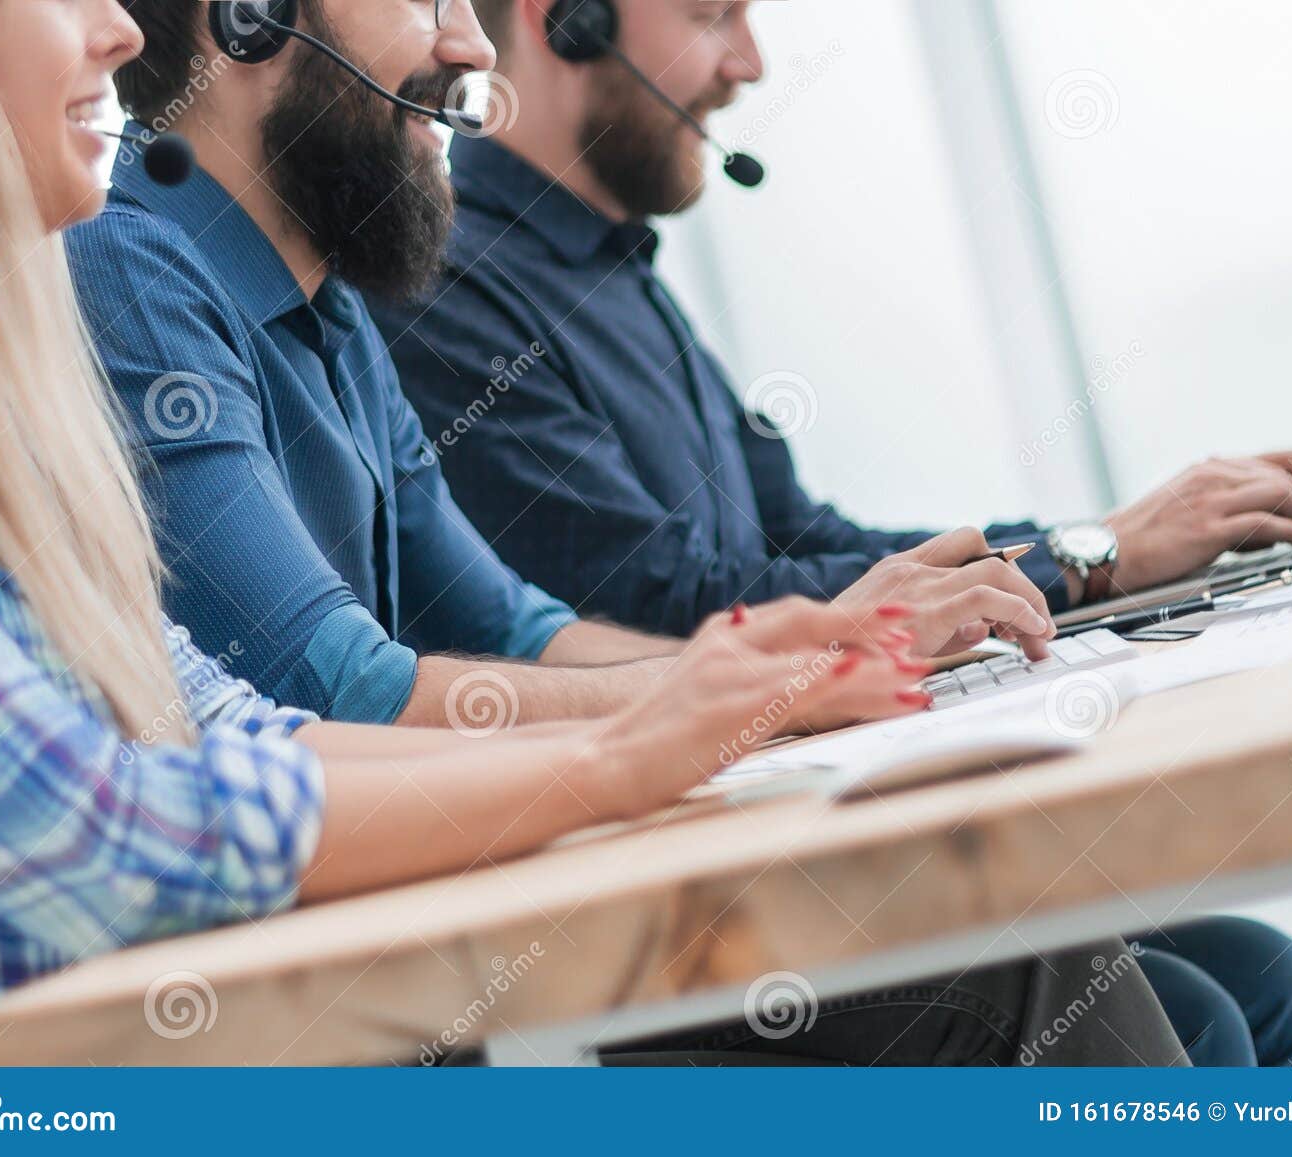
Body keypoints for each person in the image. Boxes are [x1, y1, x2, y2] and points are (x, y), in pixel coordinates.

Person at [0, 0, 1186, 1069]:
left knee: (1109, 975)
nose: (115, 30)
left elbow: (254, 714)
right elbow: (126, 827)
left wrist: (737, 694)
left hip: (283, 1049)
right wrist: (623, 748)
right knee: (1030, 983)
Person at [369, 0, 1292, 1066]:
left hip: (776, 822)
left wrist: (1071, 557)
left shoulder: (613, 271)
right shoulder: (449, 289)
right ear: (571, 23)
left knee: (1266, 976)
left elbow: (800, 533)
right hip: (685, 895)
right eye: (711, 16)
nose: (748, 62)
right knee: (1194, 1010)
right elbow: (669, 596)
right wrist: (1079, 555)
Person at [65, 0, 1071, 738]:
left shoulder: (329, 296)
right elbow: (340, 685)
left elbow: (515, 626)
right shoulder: (131, 270)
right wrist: (777, 683)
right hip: (344, 1001)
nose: (470, 45)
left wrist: (809, 656)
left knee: (1175, 974)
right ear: (247, 19)